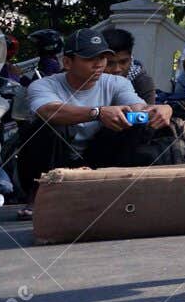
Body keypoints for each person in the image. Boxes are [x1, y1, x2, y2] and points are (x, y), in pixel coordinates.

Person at [16, 30, 175, 203]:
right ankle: (42, 194)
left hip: (96, 155)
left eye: (102, 58)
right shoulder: (43, 85)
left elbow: (137, 107)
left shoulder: (118, 83)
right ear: (68, 62)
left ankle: (122, 190)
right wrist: (98, 113)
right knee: (49, 124)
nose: (99, 64)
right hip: (55, 159)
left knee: (137, 124)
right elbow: (49, 110)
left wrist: (160, 110)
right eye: (90, 58)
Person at [102, 28, 156, 103]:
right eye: (109, 63)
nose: (117, 69)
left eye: (123, 62)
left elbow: (149, 112)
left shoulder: (143, 82)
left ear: (131, 58)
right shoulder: (90, 79)